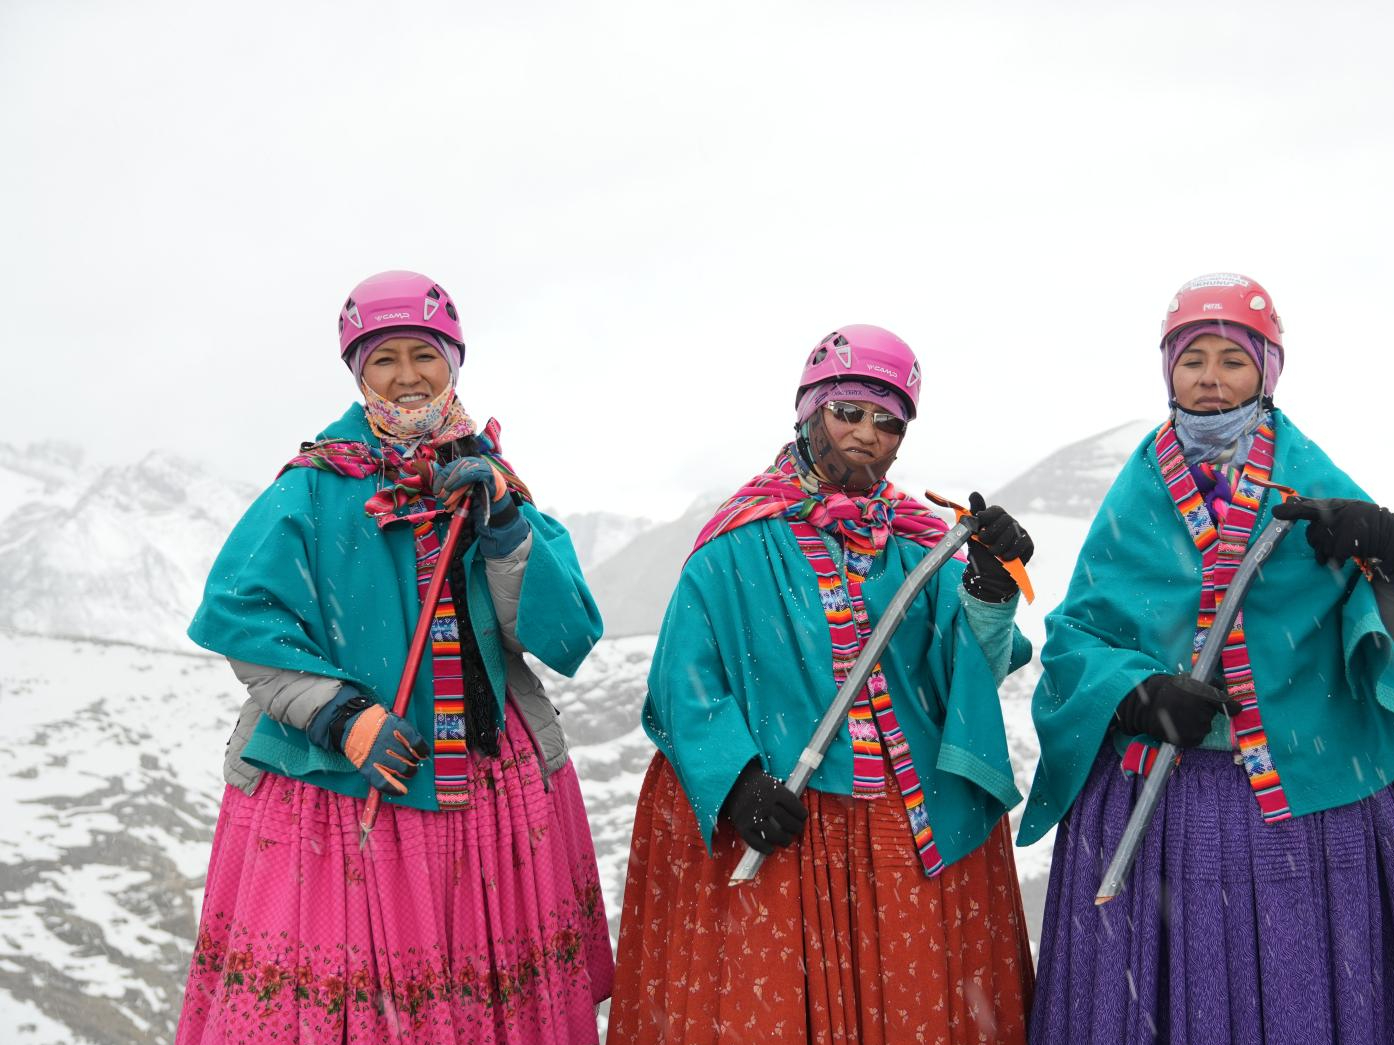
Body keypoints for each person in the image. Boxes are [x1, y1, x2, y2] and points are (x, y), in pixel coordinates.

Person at [175, 271, 613, 1044]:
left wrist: (505, 528)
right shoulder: (313, 488)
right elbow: (244, 618)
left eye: (426, 355)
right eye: (385, 359)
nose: (408, 376)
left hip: (489, 792)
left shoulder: (492, 481)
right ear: (357, 371)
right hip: (347, 791)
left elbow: (565, 632)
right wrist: (342, 716)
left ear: (454, 363)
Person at [608, 325, 1038, 1044]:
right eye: (850, 413)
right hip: (783, 823)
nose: (867, 435)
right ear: (809, 412)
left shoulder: (919, 541)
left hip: (904, 832)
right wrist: (739, 784)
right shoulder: (737, 540)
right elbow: (684, 685)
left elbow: (970, 677)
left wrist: (989, 589)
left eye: (888, 421)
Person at [1021, 273, 1394, 1044]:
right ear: (1169, 372)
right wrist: (1136, 693)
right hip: (1167, 800)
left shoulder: (1315, 476)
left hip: (1302, 796)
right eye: (1194, 359)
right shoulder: (1137, 492)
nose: (1213, 378)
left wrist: (1385, 549)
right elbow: (1076, 639)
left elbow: (1375, 622)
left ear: (1268, 368)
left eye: (1234, 358)